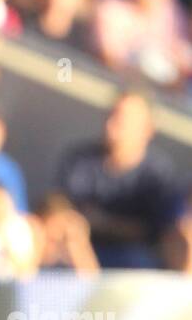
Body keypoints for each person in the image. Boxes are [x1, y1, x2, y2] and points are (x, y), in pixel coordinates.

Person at [56, 92, 181, 268]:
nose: (111, 125)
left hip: (130, 263)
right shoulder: (80, 159)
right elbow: (63, 211)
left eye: (122, 120)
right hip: (76, 249)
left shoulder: (158, 174)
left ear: (147, 130)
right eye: (111, 115)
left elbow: (158, 233)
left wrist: (103, 223)